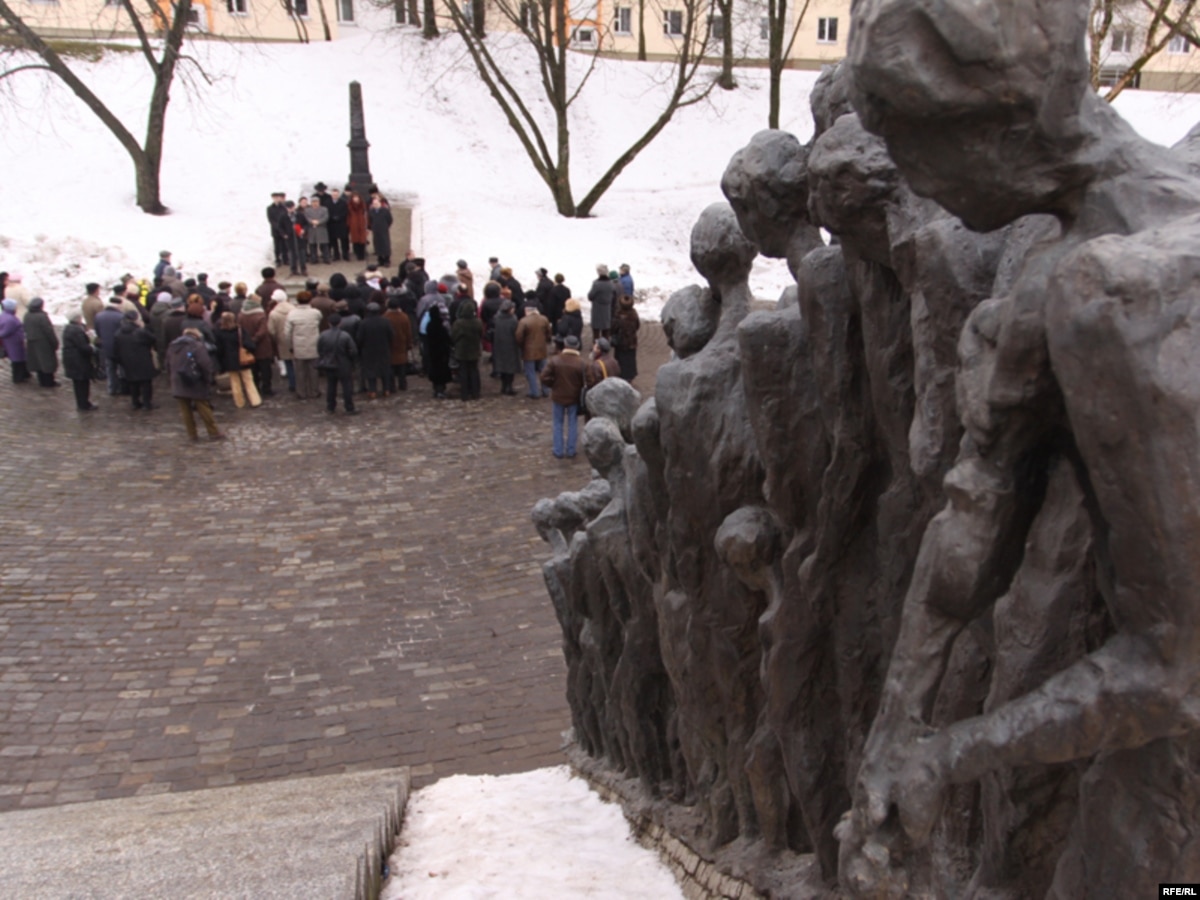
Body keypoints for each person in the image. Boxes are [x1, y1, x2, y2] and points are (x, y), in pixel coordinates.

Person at [167, 328, 224, 441]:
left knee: (185, 410)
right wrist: (208, 379)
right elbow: (205, 364)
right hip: (195, 380)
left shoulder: (172, 346)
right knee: (203, 406)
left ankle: (192, 434)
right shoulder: (197, 346)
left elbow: (167, 364)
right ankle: (213, 432)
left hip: (178, 380)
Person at [540, 333, 586, 458]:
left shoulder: (555, 360)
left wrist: (553, 384)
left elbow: (544, 377)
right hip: (574, 397)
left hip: (558, 396)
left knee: (558, 423)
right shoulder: (581, 363)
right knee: (572, 423)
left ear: (565, 345)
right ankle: (571, 450)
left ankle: (558, 450)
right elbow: (587, 381)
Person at [215, 311, 262, 409]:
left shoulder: (219, 333)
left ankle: (239, 402)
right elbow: (249, 344)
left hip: (229, 361)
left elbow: (219, 349)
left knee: (235, 382)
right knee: (249, 380)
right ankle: (255, 400)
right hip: (243, 359)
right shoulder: (240, 330)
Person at [112, 310, 157, 409]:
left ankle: (135, 402)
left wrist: (121, 360)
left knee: (133, 382)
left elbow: (116, 349)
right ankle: (146, 403)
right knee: (146, 383)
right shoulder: (140, 331)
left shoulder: (119, 333)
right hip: (143, 359)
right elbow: (153, 339)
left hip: (127, 361)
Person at [317, 313, 359, 414]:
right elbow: (353, 351)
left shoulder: (323, 335)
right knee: (347, 386)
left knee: (331, 385)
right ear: (340, 323)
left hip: (329, 363)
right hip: (343, 363)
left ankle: (331, 406)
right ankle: (349, 407)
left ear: (329, 323)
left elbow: (319, 349)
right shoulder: (345, 335)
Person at [286, 290, 322, 400]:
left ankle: (301, 392)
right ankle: (314, 391)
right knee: (313, 370)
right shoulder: (315, 313)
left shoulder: (292, 314)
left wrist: (290, 345)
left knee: (300, 371)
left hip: (298, 345)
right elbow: (319, 321)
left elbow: (287, 333)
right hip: (313, 344)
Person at [237, 294, 274, 398]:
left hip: (248, 346)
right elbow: (263, 331)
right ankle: (266, 388)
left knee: (253, 368)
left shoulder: (241, 315)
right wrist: (254, 339)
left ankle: (255, 387)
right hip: (262, 346)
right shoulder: (261, 315)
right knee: (265, 369)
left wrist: (247, 341)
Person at [357, 301, 395, 398]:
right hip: (383, 348)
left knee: (370, 370)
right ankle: (386, 389)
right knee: (385, 369)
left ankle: (372, 390)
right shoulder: (385, 321)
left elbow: (359, 338)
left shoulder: (363, 323)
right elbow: (391, 335)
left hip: (368, 349)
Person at [515, 300, 552, 398]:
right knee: (544, 371)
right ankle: (546, 390)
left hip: (528, 350)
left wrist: (521, 345)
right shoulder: (544, 319)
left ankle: (534, 392)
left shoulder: (523, 321)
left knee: (530, 372)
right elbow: (549, 333)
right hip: (542, 349)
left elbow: (519, 336)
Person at [61, 311, 98, 411]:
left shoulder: (68, 328)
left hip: (72, 360)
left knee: (77, 384)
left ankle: (82, 403)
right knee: (82, 384)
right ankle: (84, 404)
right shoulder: (77, 331)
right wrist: (92, 349)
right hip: (79, 361)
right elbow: (83, 347)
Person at [451, 298, 483, 401]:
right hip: (474, 349)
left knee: (463, 372)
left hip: (462, 351)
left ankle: (464, 393)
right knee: (474, 371)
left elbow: (453, 337)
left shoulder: (458, 323)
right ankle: (475, 392)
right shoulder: (478, 322)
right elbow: (481, 334)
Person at [23, 297, 59, 388]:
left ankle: (42, 380)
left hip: (32, 342)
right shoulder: (42, 316)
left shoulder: (27, 315)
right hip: (44, 343)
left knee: (38, 362)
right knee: (47, 362)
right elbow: (48, 331)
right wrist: (54, 342)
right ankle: (49, 382)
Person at [424, 295, 453, 399]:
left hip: (433, 352)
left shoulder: (429, 326)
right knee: (442, 371)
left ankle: (436, 389)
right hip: (442, 353)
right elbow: (447, 339)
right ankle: (441, 390)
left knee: (435, 371)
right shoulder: (441, 326)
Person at [268, 288, 297, 393]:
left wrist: (276, 338)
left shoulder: (273, 313)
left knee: (288, 363)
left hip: (282, 340)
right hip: (295, 337)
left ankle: (292, 384)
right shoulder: (293, 309)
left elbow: (271, 330)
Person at [491, 299, 522, 396]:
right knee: (510, 368)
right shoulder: (513, 319)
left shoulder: (496, 318)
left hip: (499, 345)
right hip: (511, 345)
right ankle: (509, 387)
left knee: (502, 366)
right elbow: (517, 333)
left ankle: (504, 386)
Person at [384, 295, 412, 392]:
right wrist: (409, 343)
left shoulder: (385, 317)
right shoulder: (404, 317)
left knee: (390, 365)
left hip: (390, 344)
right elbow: (408, 332)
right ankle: (402, 384)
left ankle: (391, 386)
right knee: (402, 366)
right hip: (401, 343)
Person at [0, 298, 29, 384]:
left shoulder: (4, 316)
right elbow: (5, 331)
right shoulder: (10, 319)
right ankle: (18, 378)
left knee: (19, 359)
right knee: (17, 360)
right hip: (14, 343)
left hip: (12, 342)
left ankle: (24, 374)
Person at [613, 294, 640, 382]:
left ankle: (621, 374)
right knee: (630, 359)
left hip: (621, 343)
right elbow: (637, 325)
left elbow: (613, 328)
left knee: (621, 359)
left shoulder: (618, 315)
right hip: (631, 342)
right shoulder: (634, 314)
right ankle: (630, 375)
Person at [588, 265, 615, 341]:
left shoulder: (596, 284)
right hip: (607, 309)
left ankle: (596, 346)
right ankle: (605, 345)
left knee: (596, 330)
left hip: (597, 309)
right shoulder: (611, 284)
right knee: (606, 330)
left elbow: (590, 296)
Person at [369, 196, 393, 267]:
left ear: (380, 203)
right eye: (374, 204)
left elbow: (390, 220)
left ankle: (387, 260)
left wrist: (385, 226)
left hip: (384, 230)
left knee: (385, 244)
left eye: (377, 203)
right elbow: (370, 220)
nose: (375, 205)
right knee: (377, 245)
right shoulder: (371, 211)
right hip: (376, 231)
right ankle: (380, 260)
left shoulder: (385, 211)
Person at [267, 192, 289, 266]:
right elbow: (271, 219)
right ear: (273, 198)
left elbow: (286, 218)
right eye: (275, 198)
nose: (277, 199)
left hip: (283, 229)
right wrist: (278, 226)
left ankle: (285, 259)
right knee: (277, 246)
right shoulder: (269, 208)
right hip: (275, 230)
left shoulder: (284, 207)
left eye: (278, 197)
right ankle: (277, 259)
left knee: (284, 245)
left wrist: (283, 227)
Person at [285, 200, 307, 276]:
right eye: (289, 208)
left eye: (292, 207)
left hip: (299, 237)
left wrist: (303, 230)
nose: (291, 209)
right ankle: (293, 269)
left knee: (302, 254)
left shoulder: (300, 215)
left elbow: (305, 224)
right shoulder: (284, 216)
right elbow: (280, 227)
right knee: (292, 255)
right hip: (290, 238)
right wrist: (284, 234)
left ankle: (303, 269)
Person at [328, 187, 349, 262]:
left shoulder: (343, 202)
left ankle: (345, 255)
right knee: (334, 241)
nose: (335, 196)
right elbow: (327, 212)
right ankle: (336, 255)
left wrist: (339, 217)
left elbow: (346, 212)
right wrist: (332, 217)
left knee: (344, 240)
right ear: (331, 195)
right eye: (333, 195)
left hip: (341, 224)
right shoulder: (328, 203)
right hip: (332, 224)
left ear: (338, 195)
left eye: (336, 195)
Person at [347, 192, 369, 262]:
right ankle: (357, 253)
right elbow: (348, 217)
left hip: (362, 224)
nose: (356, 199)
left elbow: (366, 215)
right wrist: (348, 224)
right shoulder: (349, 206)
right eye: (354, 198)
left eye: (357, 198)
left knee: (362, 240)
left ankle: (362, 254)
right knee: (355, 240)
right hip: (353, 225)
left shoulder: (363, 206)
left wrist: (367, 224)